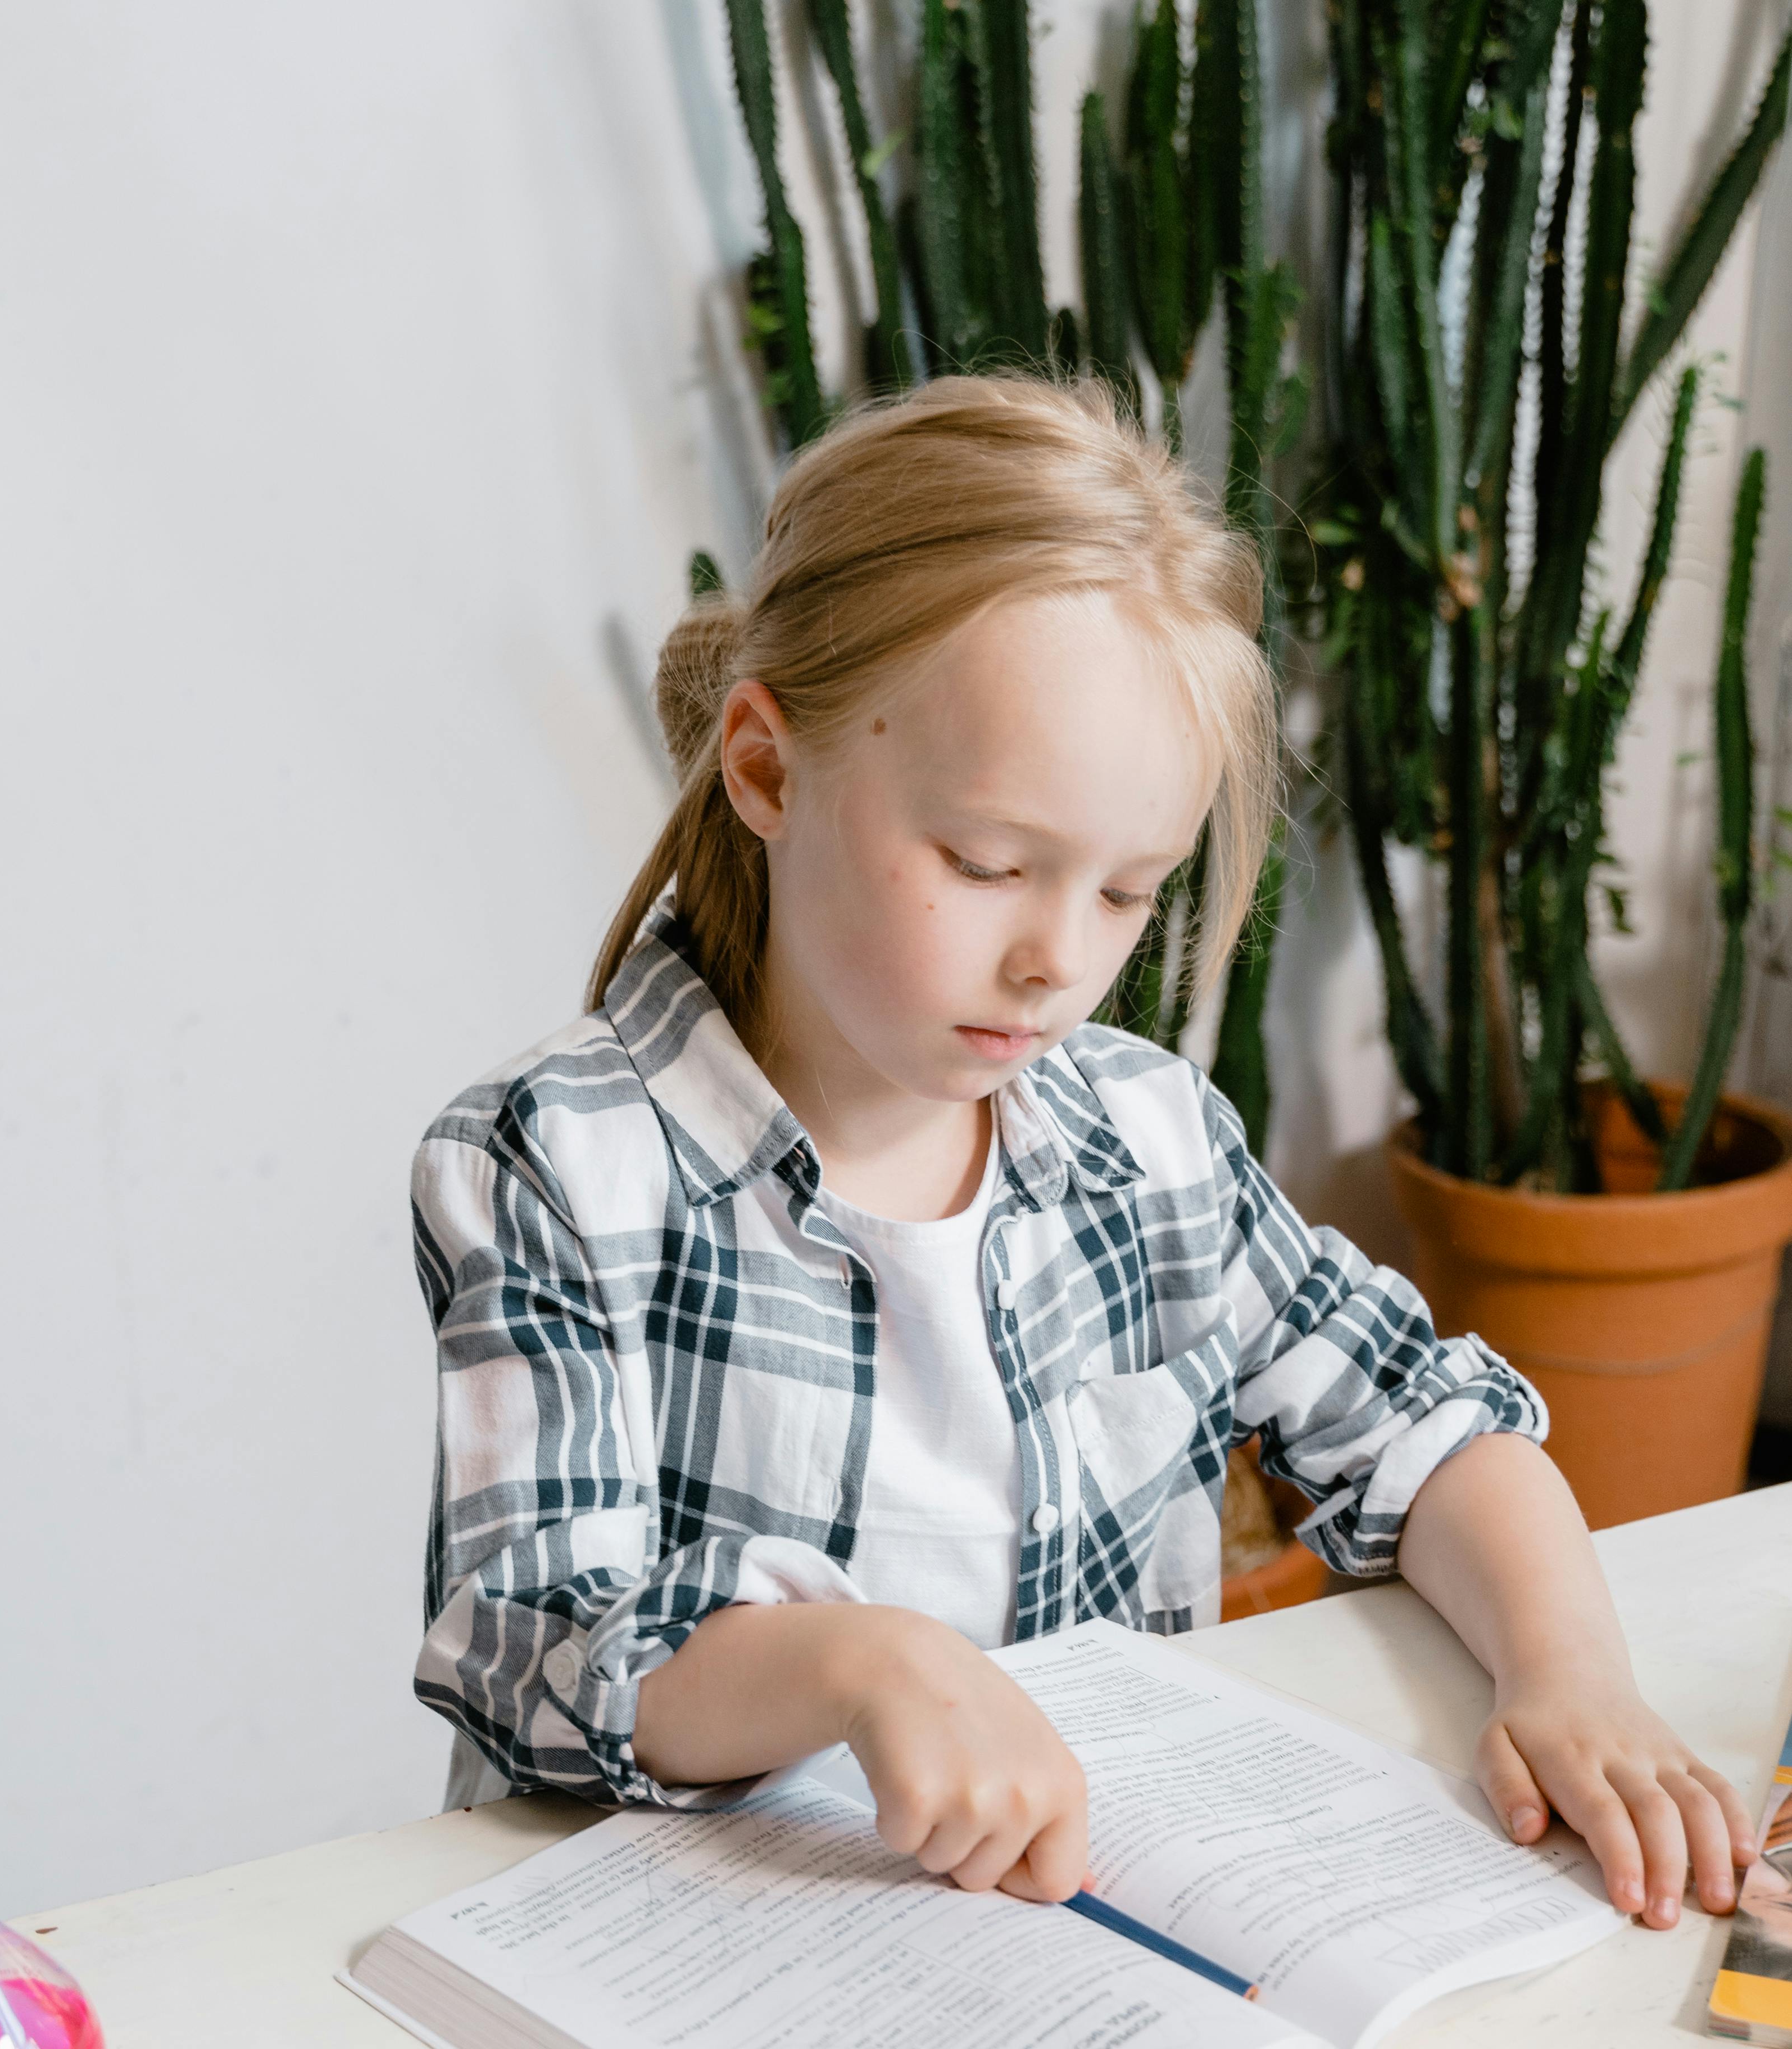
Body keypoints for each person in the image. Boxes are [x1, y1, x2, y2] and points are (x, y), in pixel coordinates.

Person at [411, 376, 1752, 1929]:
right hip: (703, 1945)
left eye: (1128, 893)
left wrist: (1571, 1674)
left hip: (1071, 1936)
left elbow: (1424, 1424)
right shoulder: (561, 1162)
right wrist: (861, 1664)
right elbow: (533, 1646)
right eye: (988, 863)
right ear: (768, 770)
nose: (1058, 959)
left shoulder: (1148, 1138)